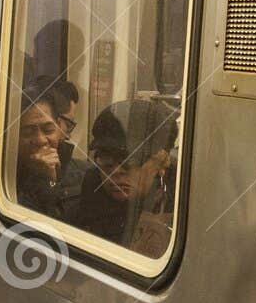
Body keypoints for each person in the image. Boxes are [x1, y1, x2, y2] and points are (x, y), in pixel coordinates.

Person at [76, 99, 177, 258]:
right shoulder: (93, 183)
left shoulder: (184, 192)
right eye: (106, 162)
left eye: (128, 162)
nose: (114, 172)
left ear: (161, 160)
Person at [15, 89, 84, 221]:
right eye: (28, 132)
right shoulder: (3, 180)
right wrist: (42, 182)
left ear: (59, 127)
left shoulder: (82, 175)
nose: (41, 140)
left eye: (48, 130)